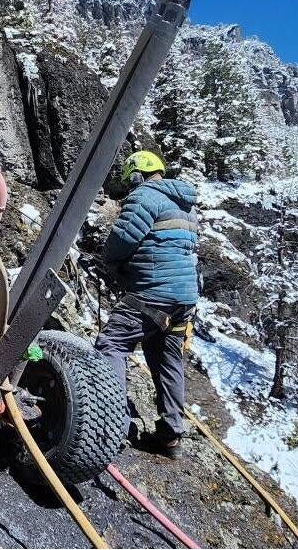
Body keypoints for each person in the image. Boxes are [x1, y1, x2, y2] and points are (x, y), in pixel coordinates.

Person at [97, 150, 199, 459]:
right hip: (184, 299)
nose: (129, 187)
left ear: (138, 175)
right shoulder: (186, 207)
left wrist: (110, 262)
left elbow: (123, 239)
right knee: (168, 360)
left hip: (153, 294)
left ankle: (112, 426)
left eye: (130, 180)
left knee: (112, 344)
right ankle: (171, 436)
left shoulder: (144, 197)